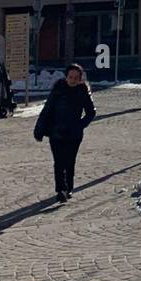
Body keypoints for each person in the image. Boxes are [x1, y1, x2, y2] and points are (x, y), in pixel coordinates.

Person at [33, 63, 97, 203]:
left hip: (74, 134)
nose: (72, 80)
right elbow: (47, 109)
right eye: (70, 77)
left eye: (76, 77)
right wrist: (39, 129)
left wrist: (80, 124)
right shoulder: (58, 89)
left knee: (69, 161)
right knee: (59, 162)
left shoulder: (83, 91)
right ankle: (60, 190)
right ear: (66, 77)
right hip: (56, 132)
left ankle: (69, 188)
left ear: (80, 79)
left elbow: (91, 112)